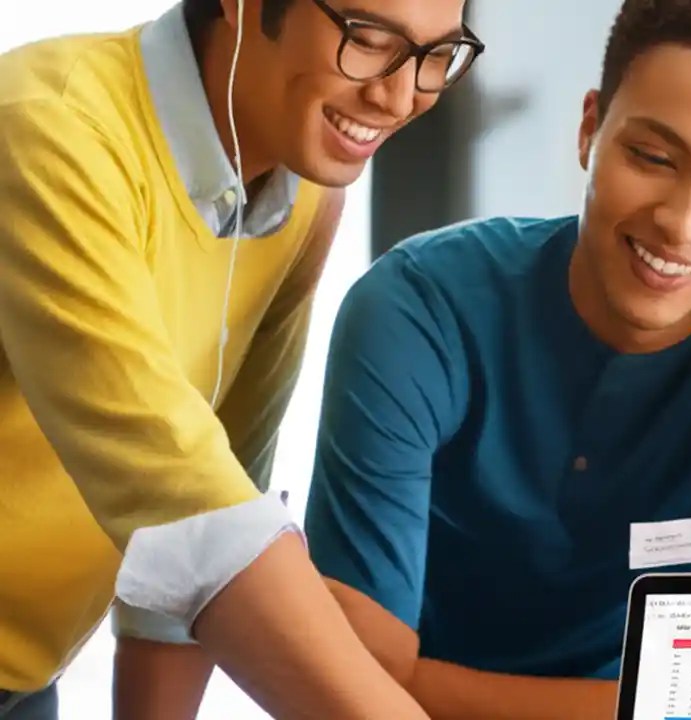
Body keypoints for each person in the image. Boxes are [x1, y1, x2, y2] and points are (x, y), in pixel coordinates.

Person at [301, 0, 691, 716]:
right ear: (590, 130)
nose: (683, 222)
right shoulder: (417, 310)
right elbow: (354, 679)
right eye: (652, 158)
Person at [0, 0, 483, 716]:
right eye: (369, 37)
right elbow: (179, 491)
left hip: (27, 673)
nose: (399, 93)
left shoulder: (307, 192)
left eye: (437, 55)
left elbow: (226, 483)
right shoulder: (52, 127)